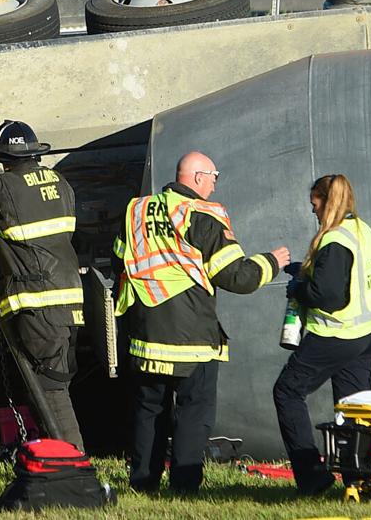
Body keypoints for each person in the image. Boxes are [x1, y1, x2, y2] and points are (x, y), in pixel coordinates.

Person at [115, 150, 289, 494]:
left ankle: (143, 482)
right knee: (193, 412)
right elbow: (237, 277)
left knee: (150, 410)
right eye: (214, 176)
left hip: (147, 334)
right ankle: (184, 484)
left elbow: (120, 259)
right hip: (191, 338)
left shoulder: (137, 210)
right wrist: (272, 261)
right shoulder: (203, 216)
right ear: (197, 178)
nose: (215, 184)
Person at [0, 120, 85, 449]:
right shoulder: (61, 184)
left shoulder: (5, 186)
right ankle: (57, 455)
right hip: (69, 303)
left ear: (4, 158)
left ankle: (71, 460)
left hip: (36, 305)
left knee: (48, 390)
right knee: (56, 381)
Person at [273, 174, 371, 495]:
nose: (313, 212)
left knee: (287, 392)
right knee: (353, 407)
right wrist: (307, 270)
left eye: (315, 205)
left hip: (336, 335)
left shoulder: (334, 239)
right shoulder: (361, 231)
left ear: (328, 201)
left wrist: (299, 287)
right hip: (367, 334)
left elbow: (328, 295)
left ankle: (312, 476)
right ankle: (358, 479)